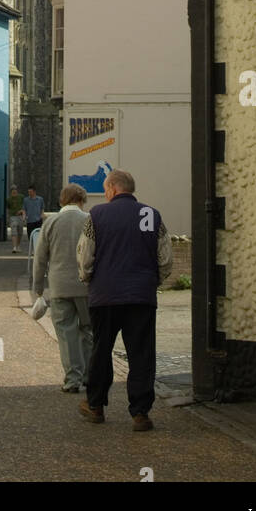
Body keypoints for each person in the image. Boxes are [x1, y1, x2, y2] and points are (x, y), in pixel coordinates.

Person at [76, 168, 172, 431]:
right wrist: (153, 282)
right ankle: (140, 413)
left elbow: (85, 256)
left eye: (106, 189)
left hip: (105, 295)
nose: (106, 193)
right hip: (141, 296)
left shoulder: (96, 215)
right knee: (141, 353)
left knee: (101, 350)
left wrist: (89, 280)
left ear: (113, 189)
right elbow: (165, 258)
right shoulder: (152, 215)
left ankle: (95, 405)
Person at [32, 184, 92, 392]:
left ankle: (72, 379)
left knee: (66, 333)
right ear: (81, 200)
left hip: (59, 286)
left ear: (61, 201)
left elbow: (40, 258)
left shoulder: (51, 222)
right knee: (88, 330)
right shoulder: (89, 220)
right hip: (87, 286)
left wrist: (38, 288)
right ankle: (88, 376)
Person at [7, 184, 25, 253]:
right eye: (12, 191)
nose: (14, 192)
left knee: (20, 232)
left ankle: (18, 245)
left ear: (17, 191)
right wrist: (10, 215)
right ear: (11, 192)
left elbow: (24, 205)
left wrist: (22, 211)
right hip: (13, 217)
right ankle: (14, 247)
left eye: (15, 190)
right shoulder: (9, 199)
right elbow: (8, 207)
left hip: (20, 216)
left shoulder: (21, 197)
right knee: (14, 232)